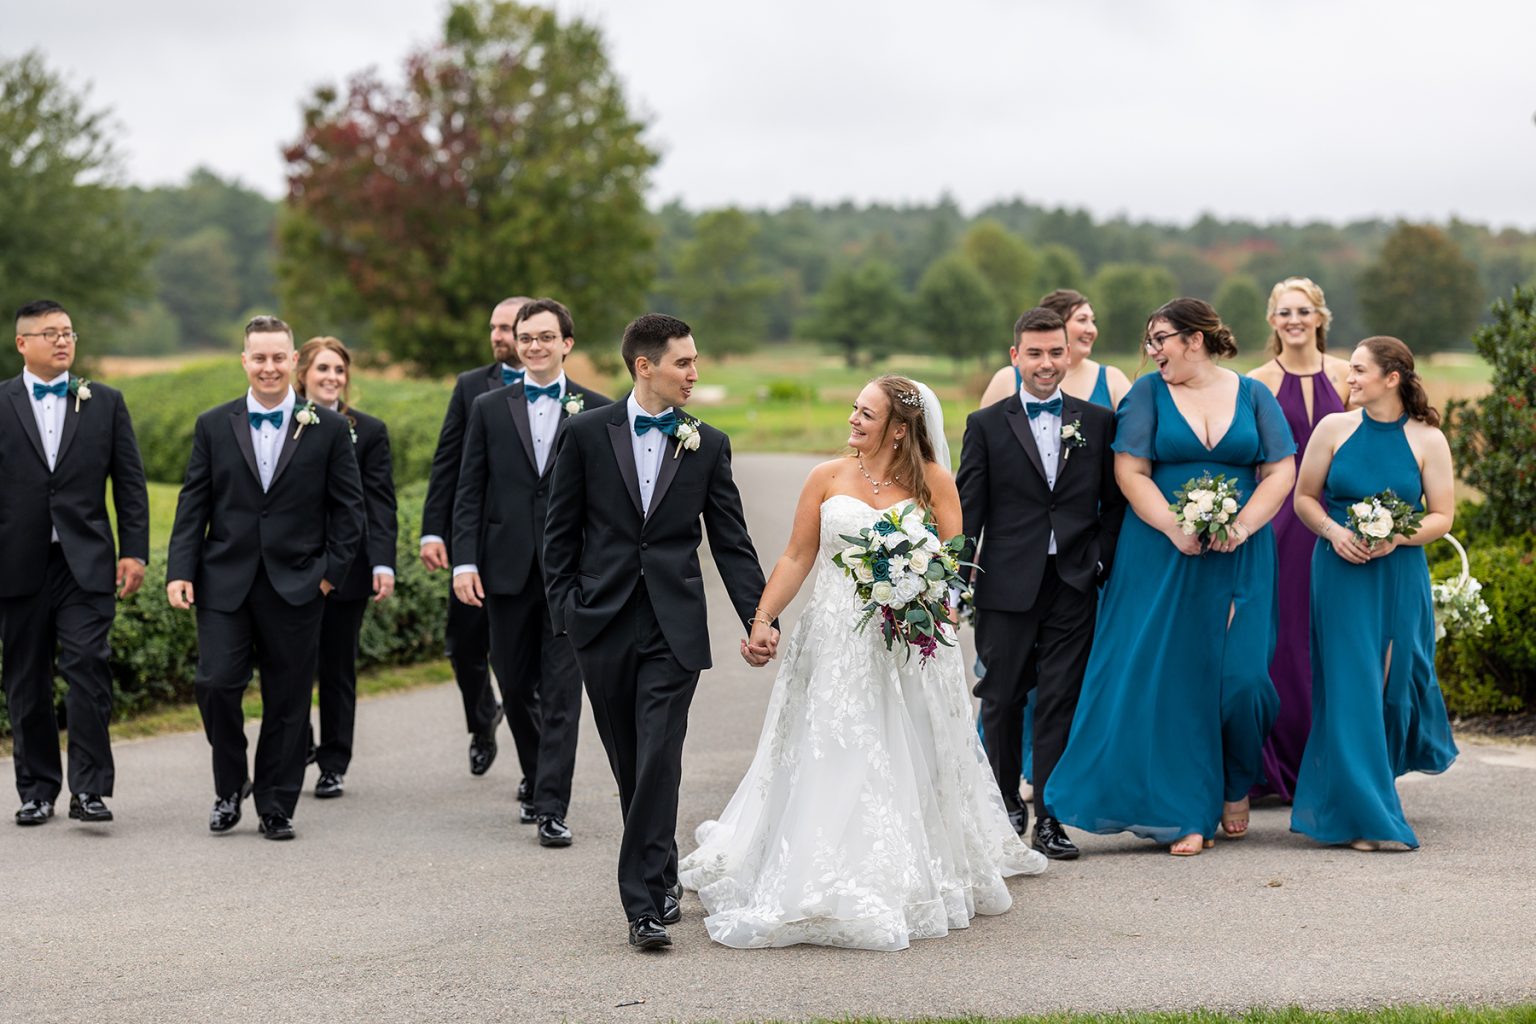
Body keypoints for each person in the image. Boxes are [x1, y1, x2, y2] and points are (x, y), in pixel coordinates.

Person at [679, 374, 1047, 951]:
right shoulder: (825, 478)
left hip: (908, 646)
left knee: (907, 752)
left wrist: (928, 601)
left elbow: (952, 567)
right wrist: (762, 620)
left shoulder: (934, 483)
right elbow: (798, 556)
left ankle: (904, 869)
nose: (853, 419)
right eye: (854, 408)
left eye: (866, 414)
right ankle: (816, 866)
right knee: (835, 745)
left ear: (899, 430)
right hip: (833, 642)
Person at [543, 313, 772, 951]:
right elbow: (558, 534)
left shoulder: (709, 443)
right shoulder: (586, 435)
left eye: (695, 361)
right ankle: (661, 867)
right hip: (603, 621)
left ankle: (641, 905)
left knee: (659, 753)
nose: (694, 373)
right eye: (683, 363)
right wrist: (567, 612)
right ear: (645, 366)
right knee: (630, 762)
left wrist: (759, 617)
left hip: (674, 627)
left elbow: (732, 543)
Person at [1045, 298, 1296, 856]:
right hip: (1162, 551)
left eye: (1161, 338)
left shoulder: (1254, 395)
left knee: (1244, 680)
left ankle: (1236, 779)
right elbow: (1129, 471)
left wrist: (1247, 524)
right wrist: (1173, 527)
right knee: (1176, 681)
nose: (1153, 350)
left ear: (1195, 340)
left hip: (1240, 552)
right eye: (1150, 340)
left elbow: (1281, 469)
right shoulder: (1148, 395)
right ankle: (1187, 811)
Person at [166, 316, 365, 841]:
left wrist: (328, 576)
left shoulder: (327, 429)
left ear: (293, 361)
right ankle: (230, 786)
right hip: (223, 583)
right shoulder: (214, 423)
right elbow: (194, 502)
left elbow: (350, 512)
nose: (270, 367)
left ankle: (276, 804)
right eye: (260, 357)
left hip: (299, 584)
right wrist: (180, 570)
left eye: (279, 357)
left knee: (289, 697)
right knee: (215, 683)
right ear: (244, 361)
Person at [958, 308, 1126, 861]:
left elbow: (1114, 504)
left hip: (1074, 581)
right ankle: (1006, 803)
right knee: (1002, 697)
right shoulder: (985, 426)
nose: (1047, 363)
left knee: (1059, 698)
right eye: (1035, 353)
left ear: (1069, 354)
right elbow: (968, 510)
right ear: (1016, 357)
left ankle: (1052, 817)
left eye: (1056, 352)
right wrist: (957, 582)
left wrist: (1098, 559)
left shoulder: (1098, 421)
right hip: (1004, 583)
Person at [452, 298, 612, 846]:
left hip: (572, 577)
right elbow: (469, 488)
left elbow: (607, 504)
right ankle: (534, 770)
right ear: (516, 344)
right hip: (504, 569)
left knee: (564, 691)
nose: (535, 346)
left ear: (567, 343)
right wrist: (464, 560)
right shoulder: (490, 407)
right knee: (516, 685)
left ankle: (550, 805)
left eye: (546, 337)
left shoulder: (597, 410)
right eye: (527, 338)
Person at [1290, 336, 1458, 850]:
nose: (1350, 378)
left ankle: (1370, 791)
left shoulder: (1428, 438)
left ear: (1393, 378)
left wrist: (1397, 538)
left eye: (1360, 371)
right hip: (1339, 573)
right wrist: (1334, 533)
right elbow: (1303, 499)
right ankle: (1364, 815)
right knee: (1350, 687)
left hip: (1398, 574)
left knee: (1392, 686)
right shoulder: (1333, 429)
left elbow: (1442, 516)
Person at [2, 300, 149, 826]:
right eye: (50, 334)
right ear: (23, 344)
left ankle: (89, 789)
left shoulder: (104, 402)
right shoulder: (0, 403)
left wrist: (134, 551)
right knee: (26, 679)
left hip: (85, 562)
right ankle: (38, 789)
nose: (63, 341)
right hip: (17, 566)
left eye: (68, 332)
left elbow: (130, 484)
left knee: (87, 668)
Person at [421, 296, 540, 811]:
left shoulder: (569, 395)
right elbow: (449, 464)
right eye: (493, 326)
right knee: (463, 646)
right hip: (477, 544)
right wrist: (435, 532)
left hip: (529, 549)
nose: (498, 335)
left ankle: (536, 772)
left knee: (523, 671)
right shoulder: (473, 386)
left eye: (508, 326)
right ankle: (482, 721)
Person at [1246, 277, 1350, 802]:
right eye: (1284, 312)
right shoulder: (1256, 381)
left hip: (1338, 517)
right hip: (1282, 520)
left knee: (1333, 636)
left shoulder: (1346, 374)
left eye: (1303, 311)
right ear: (1272, 321)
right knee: (1284, 635)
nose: (1294, 320)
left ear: (1319, 317)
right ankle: (1278, 762)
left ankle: (1332, 759)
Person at [294, 337, 398, 800]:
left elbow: (379, 502)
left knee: (336, 668)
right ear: (303, 374)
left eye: (339, 370)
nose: (331, 377)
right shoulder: (283, 422)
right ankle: (296, 747)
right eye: (322, 369)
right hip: (290, 565)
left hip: (348, 567)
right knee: (290, 665)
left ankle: (334, 761)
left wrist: (383, 563)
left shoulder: (368, 430)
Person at [979, 289, 1130, 409]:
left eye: (1093, 321)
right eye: (1082, 320)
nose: (1092, 330)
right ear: (1054, 324)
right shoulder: (1007, 379)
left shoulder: (1112, 379)